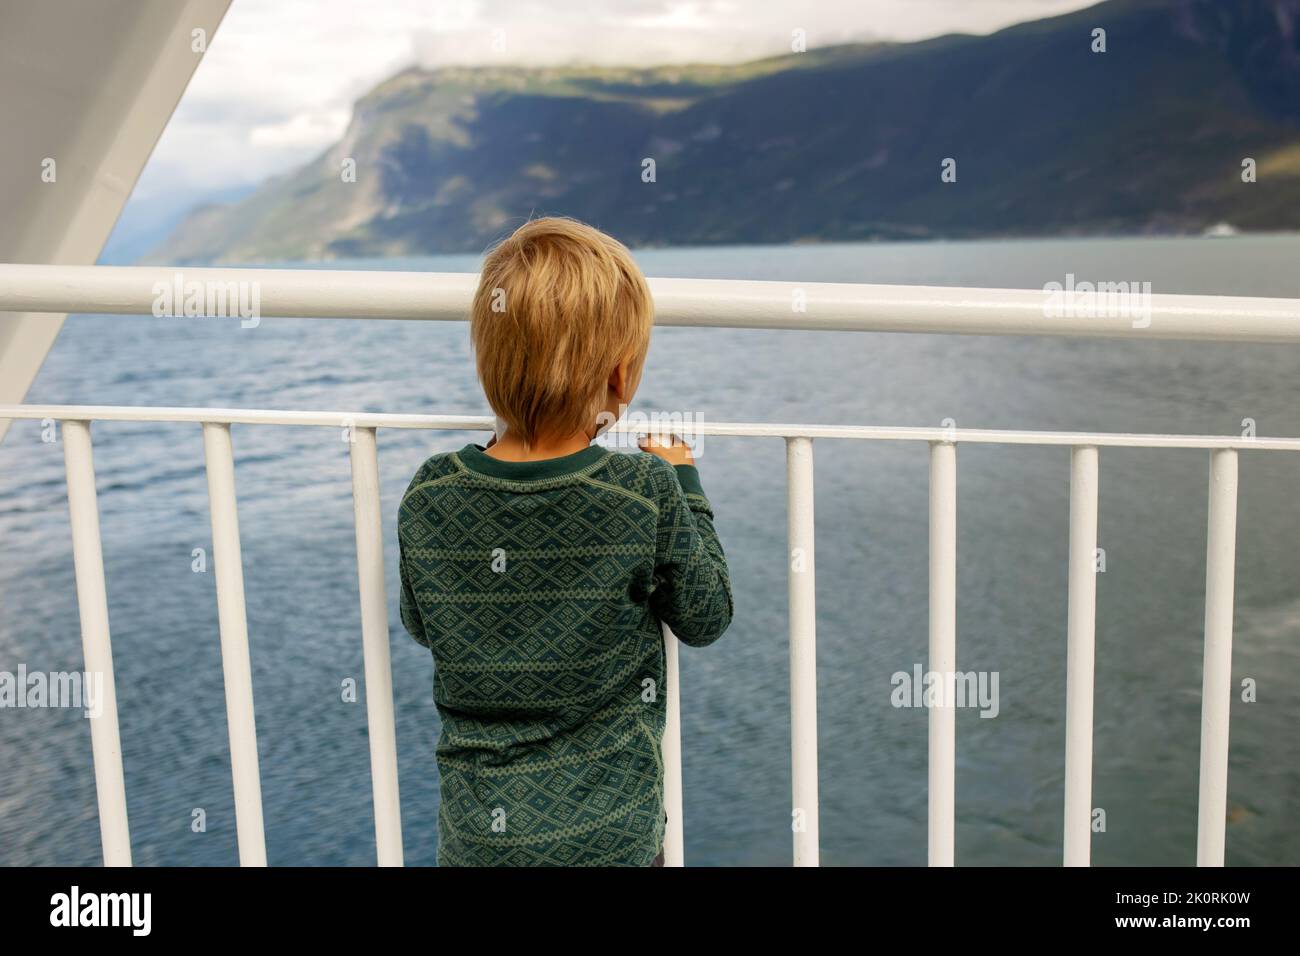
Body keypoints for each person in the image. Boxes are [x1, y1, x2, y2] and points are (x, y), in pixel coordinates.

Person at [398, 216, 734, 866]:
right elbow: (707, 614)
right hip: (609, 835)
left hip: (477, 838)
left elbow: (422, 622)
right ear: (621, 375)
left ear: (488, 360)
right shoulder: (642, 490)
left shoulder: (431, 492)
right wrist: (685, 481)